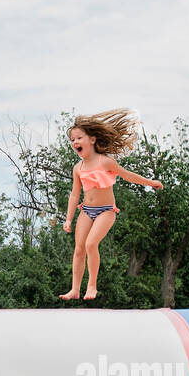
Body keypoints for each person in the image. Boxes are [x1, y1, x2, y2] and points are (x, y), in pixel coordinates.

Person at [59, 109, 162, 301]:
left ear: (92, 139)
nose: (75, 143)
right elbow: (74, 195)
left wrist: (151, 182)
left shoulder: (105, 162)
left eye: (79, 138)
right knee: (79, 249)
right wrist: (68, 219)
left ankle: (92, 286)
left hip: (106, 211)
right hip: (86, 211)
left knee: (91, 244)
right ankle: (74, 289)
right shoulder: (78, 168)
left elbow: (128, 175)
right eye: (72, 140)